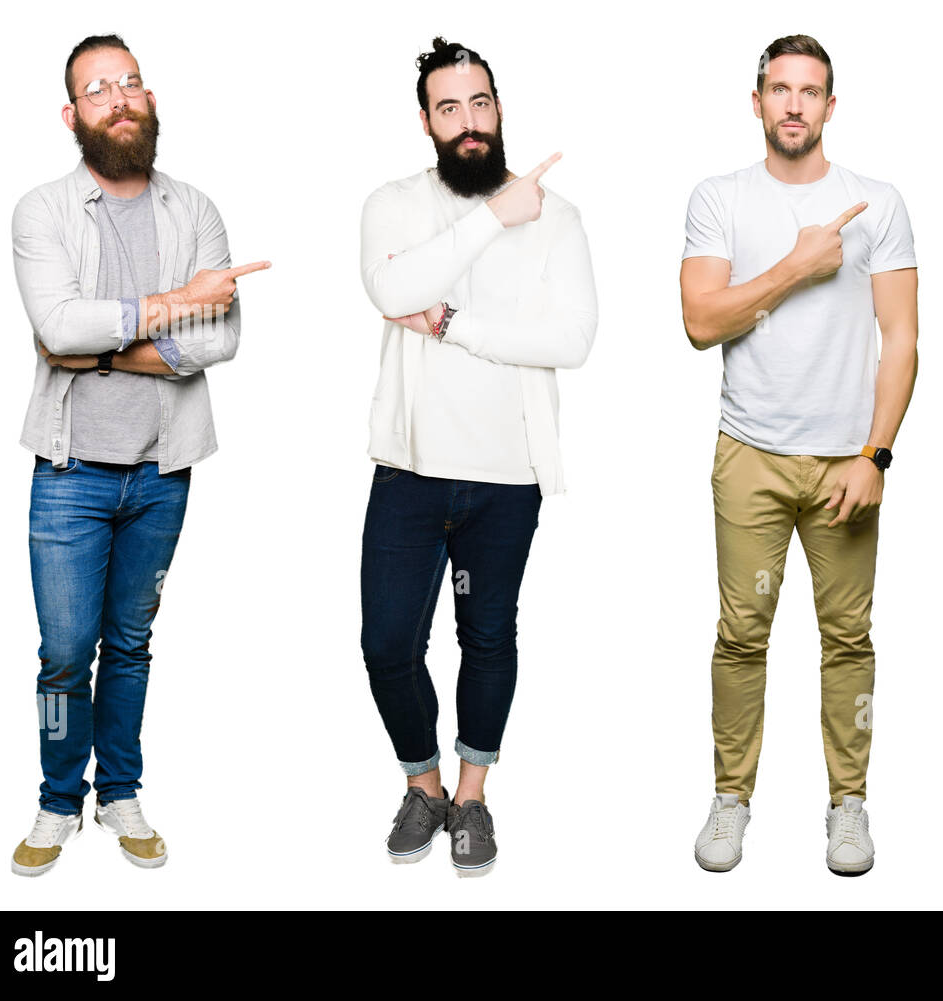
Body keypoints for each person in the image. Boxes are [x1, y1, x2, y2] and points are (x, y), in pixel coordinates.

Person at [10, 34, 269, 876]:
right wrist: (174, 305)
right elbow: (57, 326)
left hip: (163, 472)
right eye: (97, 89)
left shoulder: (194, 210)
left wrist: (110, 343)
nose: (118, 98)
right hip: (69, 473)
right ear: (72, 114)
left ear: (149, 98)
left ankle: (118, 790)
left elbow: (223, 332)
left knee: (129, 641)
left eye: (130, 83)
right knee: (63, 649)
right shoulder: (43, 211)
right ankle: (58, 800)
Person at [359, 36, 597, 877]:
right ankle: (422, 784)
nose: (469, 122)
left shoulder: (559, 215)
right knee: (389, 641)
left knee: (487, 635)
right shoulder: (392, 204)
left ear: (500, 110)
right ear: (425, 120)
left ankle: (472, 798)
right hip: (410, 469)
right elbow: (390, 291)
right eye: (449, 107)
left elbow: (571, 339)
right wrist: (493, 216)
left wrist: (455, 322)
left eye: (481, 103)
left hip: (508, 475)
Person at [680, 34, 918, 875]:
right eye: (779, 90)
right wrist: (798, 264)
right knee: (741, 634)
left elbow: (903, 338)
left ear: (829, 106)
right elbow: (701, 322)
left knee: (847, 636)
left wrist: (876, 454)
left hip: (845, 460)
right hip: (750, 454)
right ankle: (731, 797)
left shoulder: (878, 202)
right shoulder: (719, 199)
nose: (793, 105)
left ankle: (848, 803)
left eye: (809, 91)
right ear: (757, 102)